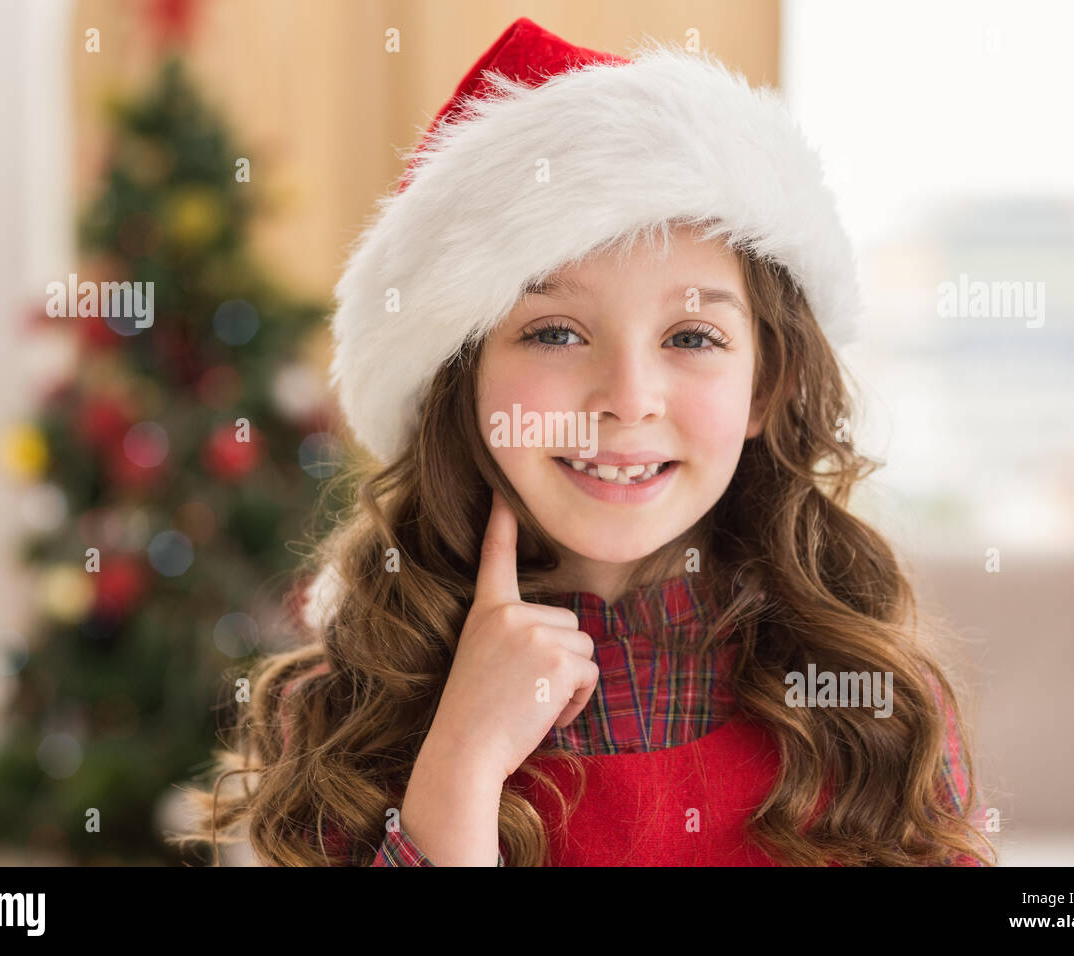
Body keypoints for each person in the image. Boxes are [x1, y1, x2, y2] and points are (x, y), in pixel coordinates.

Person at [172, 17, 996, 867]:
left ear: (767, 384)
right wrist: (459, 771)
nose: (629, 401)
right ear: (464, 382)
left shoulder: (873, 713)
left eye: (693, 337)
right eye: (557, 333)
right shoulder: (346, 712)